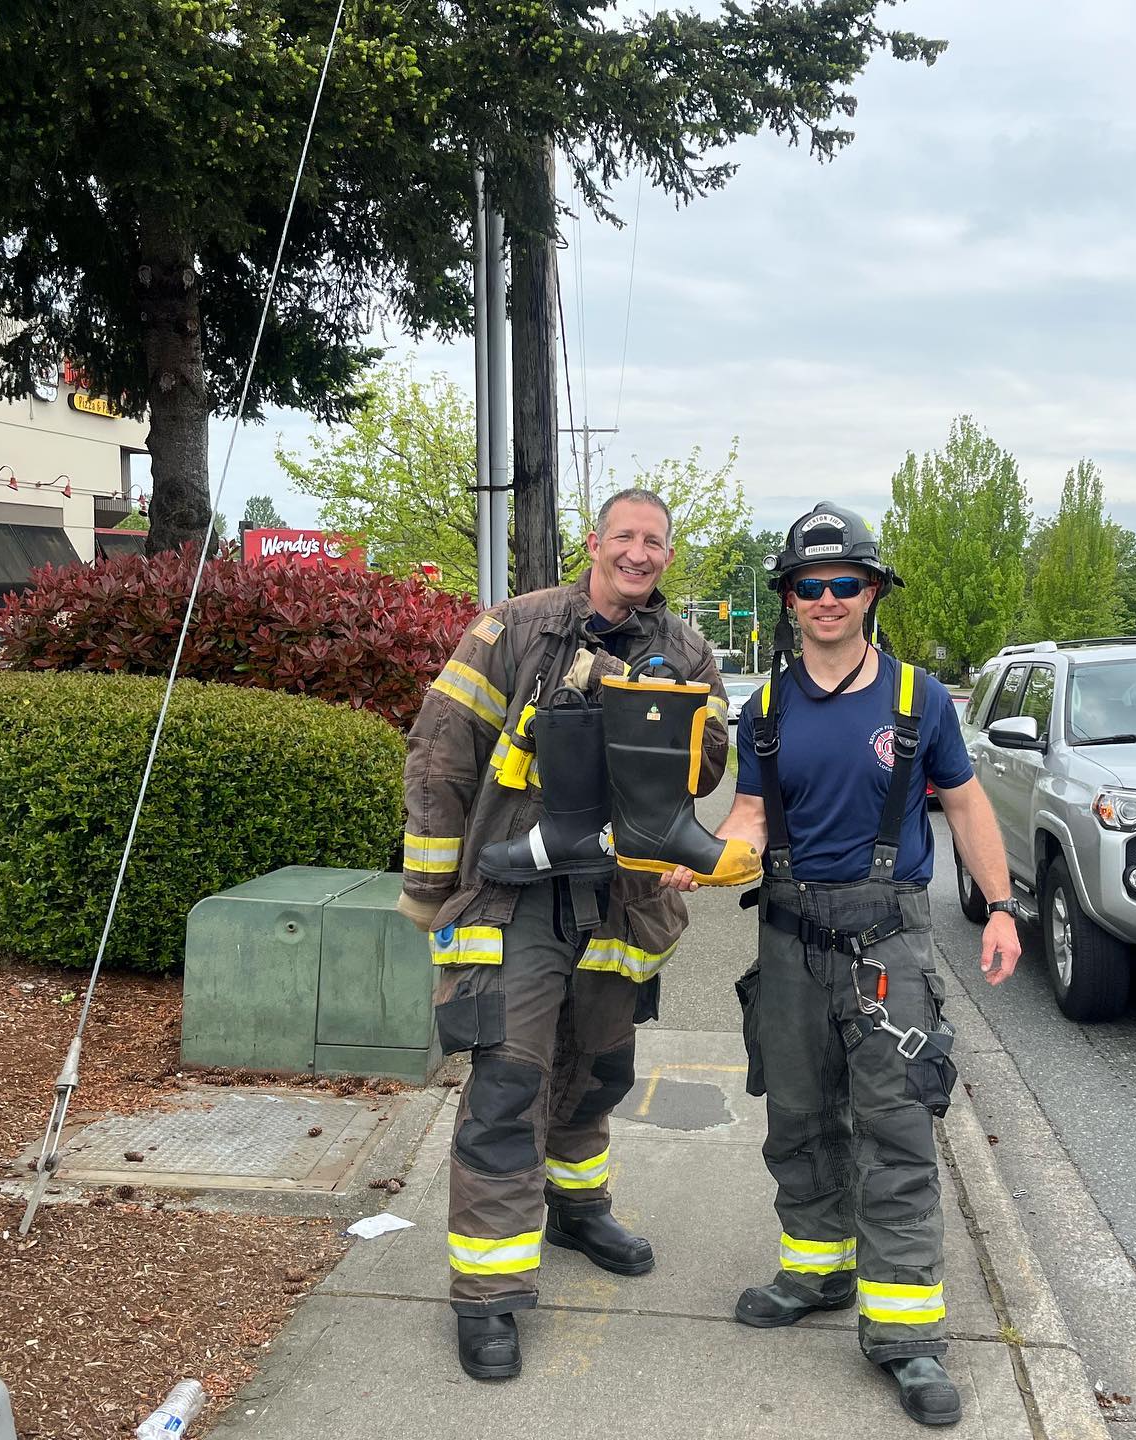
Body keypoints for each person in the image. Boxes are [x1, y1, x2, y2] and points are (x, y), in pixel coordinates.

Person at [662, 502, 1021, 1427]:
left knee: (896, 1129)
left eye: (844, 585)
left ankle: (906, 1335)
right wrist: (700, 858)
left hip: (887, 945)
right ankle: (817, 1269)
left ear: (870, 593)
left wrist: (1003, 908)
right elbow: (751, 819)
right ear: (788, 598)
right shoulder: (767, 705)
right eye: (809, 586)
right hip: (787, 940)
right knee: (799, 1115)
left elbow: (969, 806)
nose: (827, 599)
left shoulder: (917, 699)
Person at [398, 488, 729, 1381]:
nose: (639, 552)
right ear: (596, 542)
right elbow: (439, 752)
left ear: (667, 553)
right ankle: (489, 1295)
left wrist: (669, 722)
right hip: (518, 895)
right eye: (624, 536)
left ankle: (577, 1211)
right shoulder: (515, 627)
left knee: (597, 1070)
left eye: (654, 541)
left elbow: (713, 762)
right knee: (508, 1083)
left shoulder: (686, 647)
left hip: (621, 902)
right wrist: (435, 889)